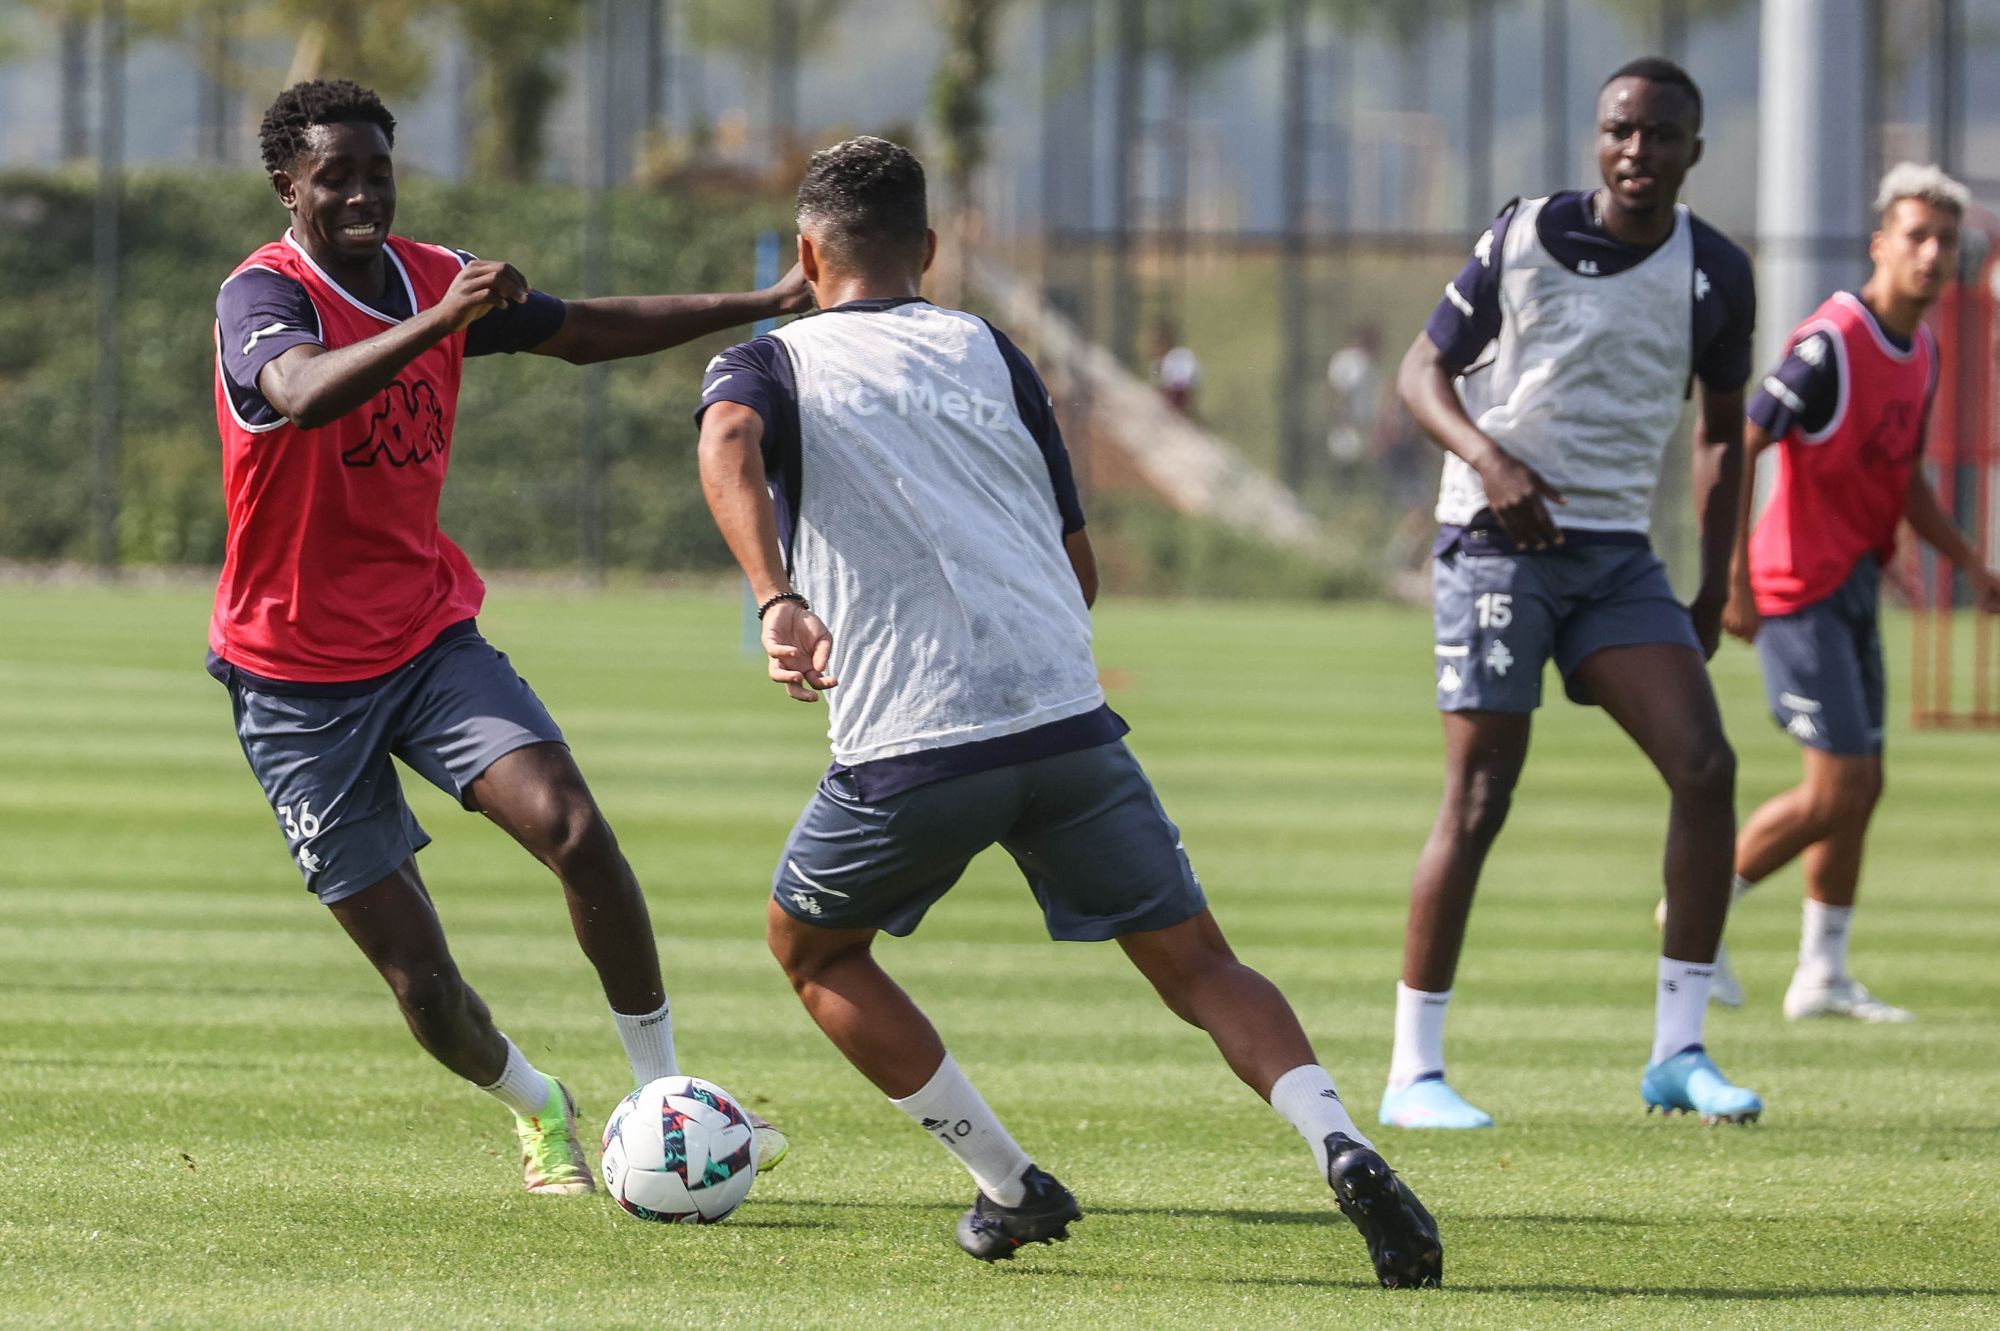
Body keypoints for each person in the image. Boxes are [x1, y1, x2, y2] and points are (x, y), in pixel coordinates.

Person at [693, 135, 1441, 1285]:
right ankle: (1338, 1137)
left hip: (913, 743)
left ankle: (1009, 1183)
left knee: (810, 946)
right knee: (1198, 962)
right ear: (931, 252)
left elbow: (729, 441)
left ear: (804, 253)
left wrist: (776, 596)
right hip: (1066, 721)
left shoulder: (770, 359)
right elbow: (1076, 566)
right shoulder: (991, 348)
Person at [210, 79, 807, 1195]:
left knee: (575, 829)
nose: (359, 192)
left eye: (376, 171)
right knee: (423, 985)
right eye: (333, 175)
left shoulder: (431, 273)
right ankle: (540, 1106)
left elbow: (579, 331)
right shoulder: (260, 296)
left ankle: (660, 1099)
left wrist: (766, 297)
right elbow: (298, 393)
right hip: (291, 682)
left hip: (427, 640)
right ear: (287, 185)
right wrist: (441, 323)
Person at [1381, 56, 1763, 1130]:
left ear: (1693, 150)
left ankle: (1676, 1052)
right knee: (1479, 792)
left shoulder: (1714, 273)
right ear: (1598, 140)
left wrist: (1711, 585)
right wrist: (1490, 462)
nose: (1635, 151)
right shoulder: (1522, 238)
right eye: (1618, 131)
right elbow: (1418, 374)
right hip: (1492, 542)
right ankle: (1412, 1070)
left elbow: (1723, 435)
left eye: (1658, 135)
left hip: (1612, 558)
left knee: (1703, 762)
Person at [1718, 163, 2000, 1023]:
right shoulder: (1831, 342)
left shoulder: (1924, 349)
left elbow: (1904, 478)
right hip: (1794, 588)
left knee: (1863, 785)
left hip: (1852, 587)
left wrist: (1970, 564)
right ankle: (1695, 909)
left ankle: (1821, 972)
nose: (1932, 253)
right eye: (1916, 236)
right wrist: (1730, 576)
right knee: (1838, 787)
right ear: (1881, 245)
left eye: (1945, 241)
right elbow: (1740, 442)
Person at [1149, 318, 1202, 416]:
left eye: (1160, 342)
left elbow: (1187, 386)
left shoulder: (1182, 357)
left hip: (1179, 410)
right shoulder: (1156, 365)